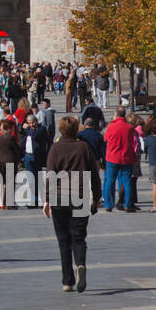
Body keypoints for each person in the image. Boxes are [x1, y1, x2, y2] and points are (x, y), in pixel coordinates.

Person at [42, 116, 101, 292]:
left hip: (59, 198)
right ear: (77, 129)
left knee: (63, 240)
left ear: (61, 130)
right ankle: (81, 265)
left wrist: (47, 200)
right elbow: (94, 174)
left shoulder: (55, 148)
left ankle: (67, 280)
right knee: (79, 237)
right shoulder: (84, 147)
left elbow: (51, 175)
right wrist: (96, 197)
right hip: (80, 196)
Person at [103, 107, 137, 211]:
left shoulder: (111, 126)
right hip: (126, 157)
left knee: (110, 181)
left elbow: (105, 139)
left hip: (112, 157)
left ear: (116, 114)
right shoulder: (130, 128)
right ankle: (127, 204)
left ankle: (109, 205)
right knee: (126, 181)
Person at [0, 116, 22, 209]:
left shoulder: (0, 137)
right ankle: (9, 204)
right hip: (10, 161)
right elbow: (16, 150)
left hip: (2, 161)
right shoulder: (10, 138)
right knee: (10, 183)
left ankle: (5, 202)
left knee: (6, 183)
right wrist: (19, 159)